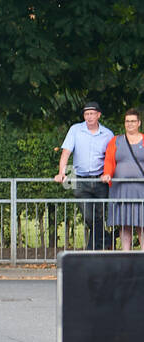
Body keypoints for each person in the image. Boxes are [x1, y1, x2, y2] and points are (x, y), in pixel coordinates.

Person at [54, 100, 114, 250]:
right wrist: (62, 172)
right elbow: (66, 152)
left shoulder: (108, 134)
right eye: (86, 114)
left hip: (100, 179)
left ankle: (93, 249)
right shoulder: (75, 130)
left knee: (99, 216)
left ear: (98, 115)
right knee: (88, 216)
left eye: (92, 113)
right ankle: (106, 239)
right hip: (80, 179)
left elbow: (111, 158)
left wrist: (109, 174)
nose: (89, 117)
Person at [102, 109, 144, 250]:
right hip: (121, 189)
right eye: (127, 121)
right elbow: (109, 161)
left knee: (142, 223)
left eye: (133, 121)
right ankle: (126, 254)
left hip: (141, 189)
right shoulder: (116, 141)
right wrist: (107, 173)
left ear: (139, 123)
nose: (130, 124)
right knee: (124, 223)